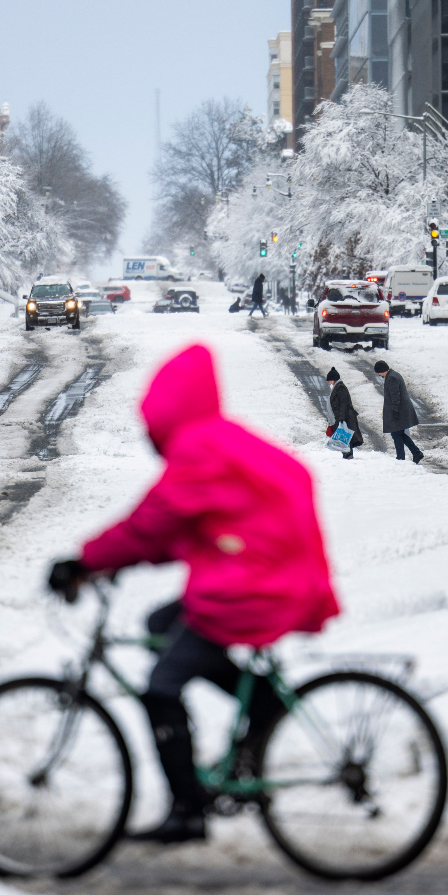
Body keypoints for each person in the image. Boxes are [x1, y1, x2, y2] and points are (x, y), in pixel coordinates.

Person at [47, 344, 339, 845]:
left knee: (161, 686)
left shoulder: (200, 449)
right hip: (265, 574)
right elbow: (182, 529)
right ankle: (264, 704)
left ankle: (187, 812)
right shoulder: (217, 440)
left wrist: (86, 562)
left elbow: (151, 523)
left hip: (255, 585)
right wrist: (119, 561)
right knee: (162, 624)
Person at [374, 360, 423, 463]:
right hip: (400, 410)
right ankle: (416, 453)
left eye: (378, 372)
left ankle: (401, 457)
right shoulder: (393, 375)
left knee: (396, 434)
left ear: (382, 370)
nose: (378, 375)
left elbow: (395, 396)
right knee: (398, 434)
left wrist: (395, 411)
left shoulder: (392, 378)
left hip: (399, 410)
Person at [325, 367, 363, 459]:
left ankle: (348, 455)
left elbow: (344, 403)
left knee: (345, 438)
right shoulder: (337, 387)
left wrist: (342, 418)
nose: (328, 383)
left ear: (333, 379)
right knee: (343, 438)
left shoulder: (340, 388)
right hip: (340, 417)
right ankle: (347, 455)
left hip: (344, 417)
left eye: (329, 380)